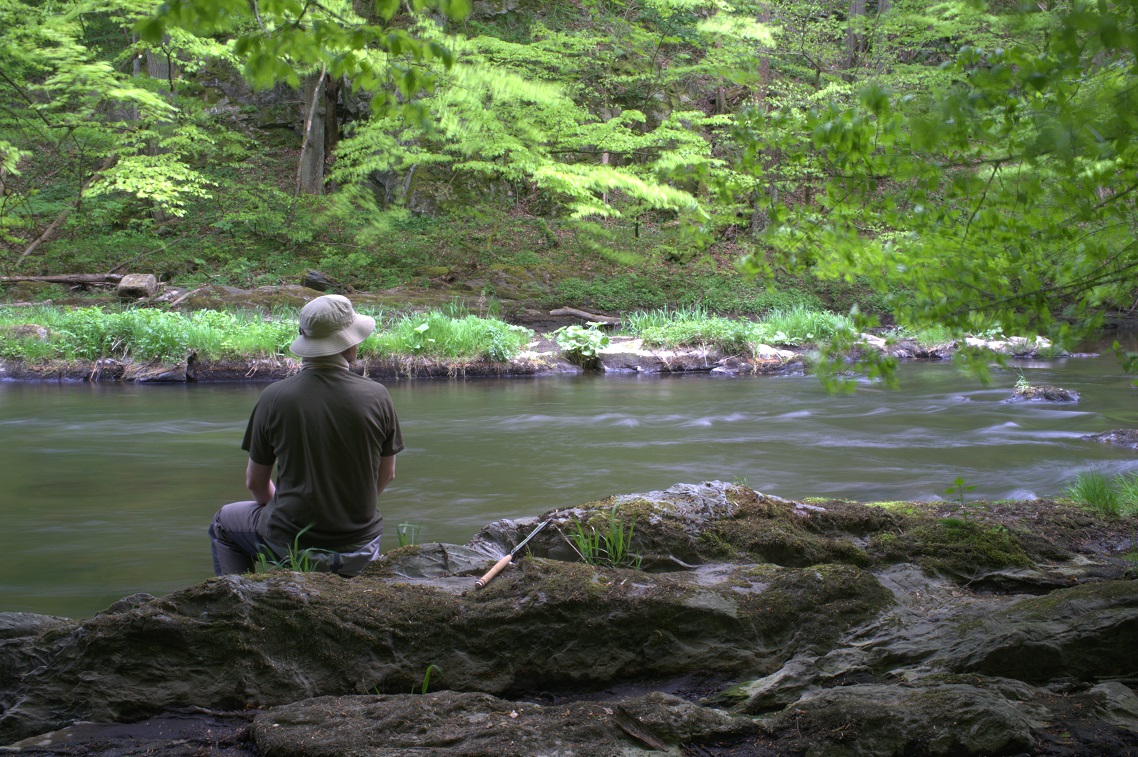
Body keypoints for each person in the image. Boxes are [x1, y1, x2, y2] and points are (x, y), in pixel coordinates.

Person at [209, 294, 404, 577]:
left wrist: (288, 514)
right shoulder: (378, 396)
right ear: (348, 342)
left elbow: (256, 484)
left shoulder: (274, 398)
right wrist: (347, 512)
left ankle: (238, 599)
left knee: (223, 524)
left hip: (291, 545)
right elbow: (387, 475)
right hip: (362, 546)